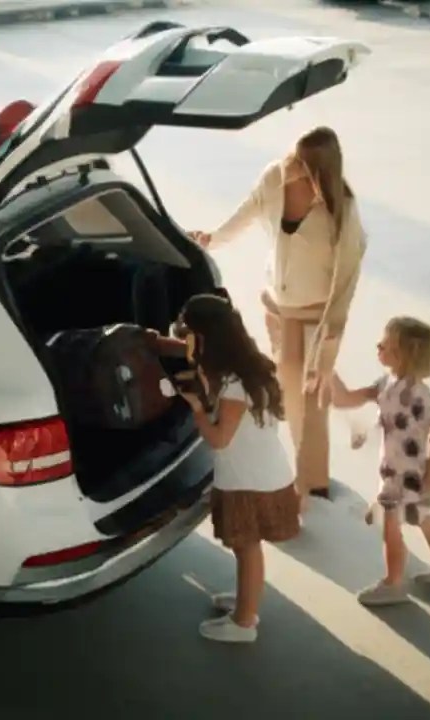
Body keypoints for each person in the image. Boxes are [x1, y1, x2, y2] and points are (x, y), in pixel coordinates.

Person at [189, 126, 367, 511]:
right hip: (277, 309)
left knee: (308, 401)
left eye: (301, 162)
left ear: (321, 170)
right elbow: (249, 209)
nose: (291, 165)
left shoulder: (343, 211)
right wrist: (213, 238)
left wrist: (328, 347)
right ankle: (343, 410)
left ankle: (313, 490)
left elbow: (345, 284)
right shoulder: (275, 177)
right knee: (295, 392)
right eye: (292, 155)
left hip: (315, 317)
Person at [165, 293, 299, 643]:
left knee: (247, 548)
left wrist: (197, 409)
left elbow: (220, 439)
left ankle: (243, 622)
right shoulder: (250, 369)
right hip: (266, 474)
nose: (184, 338)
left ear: (204, 337)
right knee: (247, 549)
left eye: (188, 333)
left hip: (247, 484)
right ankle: (245, 601)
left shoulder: (234, 387)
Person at [333, 316, 430, 607]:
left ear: (403, 355)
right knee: (422, 518)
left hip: (409, 474)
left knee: (391, 525)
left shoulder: (417, 393)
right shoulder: (385, 384)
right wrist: (328, 371)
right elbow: (345, 399)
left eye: (385, 344)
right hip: (394, 470)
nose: (378, 346)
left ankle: (393, 583)